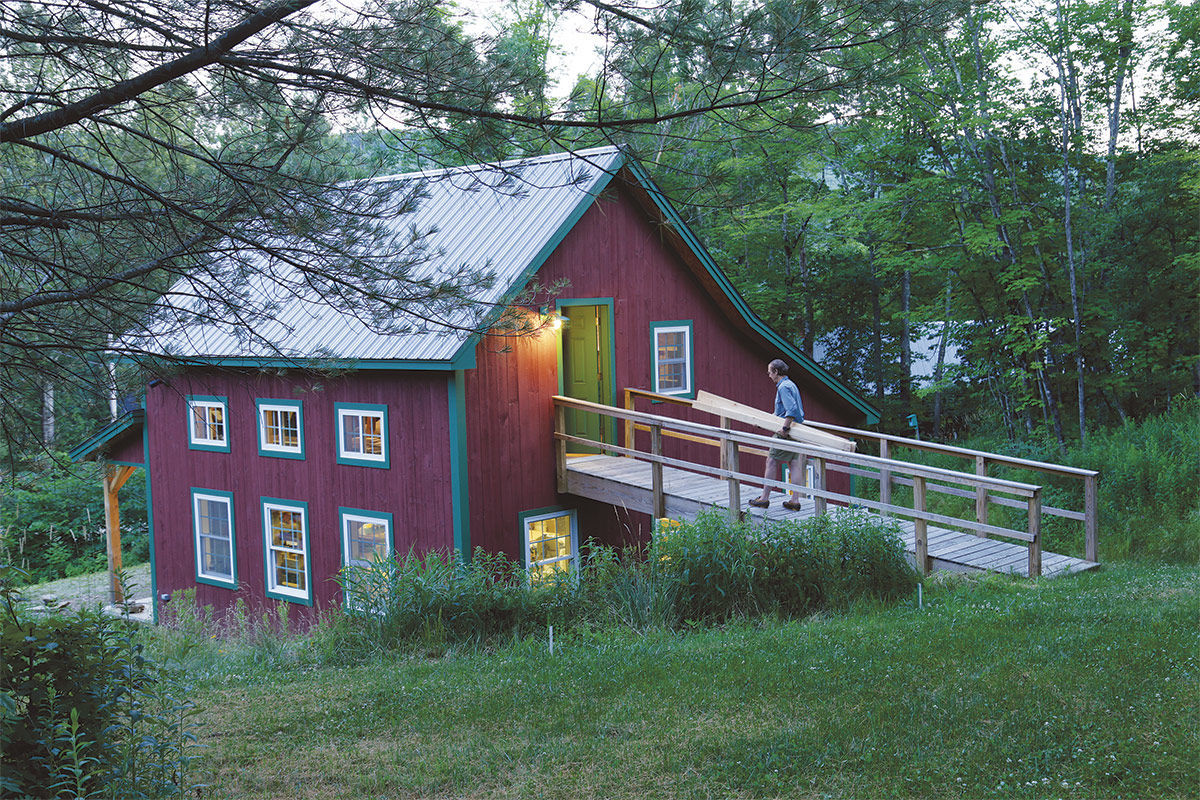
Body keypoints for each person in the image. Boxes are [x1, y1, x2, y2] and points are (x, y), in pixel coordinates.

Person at [749, 358, 805, 511]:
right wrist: (763, 422)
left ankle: (764, 498)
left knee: (771, 461)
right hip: (797, 430)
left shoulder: (783, 387)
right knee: (793, 463)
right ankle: (795, 501)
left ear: (776, 372)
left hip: (787, 431)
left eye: (769, 372)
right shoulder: (790, 384)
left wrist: (785, 429)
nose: (768, 375)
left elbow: (791, 410)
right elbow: (779, 412)